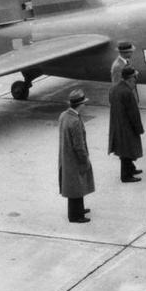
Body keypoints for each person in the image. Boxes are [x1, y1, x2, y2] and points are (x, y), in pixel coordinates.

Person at [59, 89, 94, 223]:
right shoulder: (75, 121)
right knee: (76, 185)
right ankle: (75, 215)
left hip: (66, 157)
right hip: (74, 159)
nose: (85, 105)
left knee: (76, 184)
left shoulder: (64, 116)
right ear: (80, 105)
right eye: (84, 103)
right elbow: (79, 146)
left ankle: (79, 209)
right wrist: (85, 160)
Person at [108, 66, 144, 183]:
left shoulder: (114, 89)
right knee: (127, 150)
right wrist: (139, 128)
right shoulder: (127, 92)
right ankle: (126, 176)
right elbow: (133, 113)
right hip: (127, 126)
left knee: (124, 148)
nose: (135, 80)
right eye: (134, 78)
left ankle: (131, 168)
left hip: (117, 124)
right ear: (130, 79)